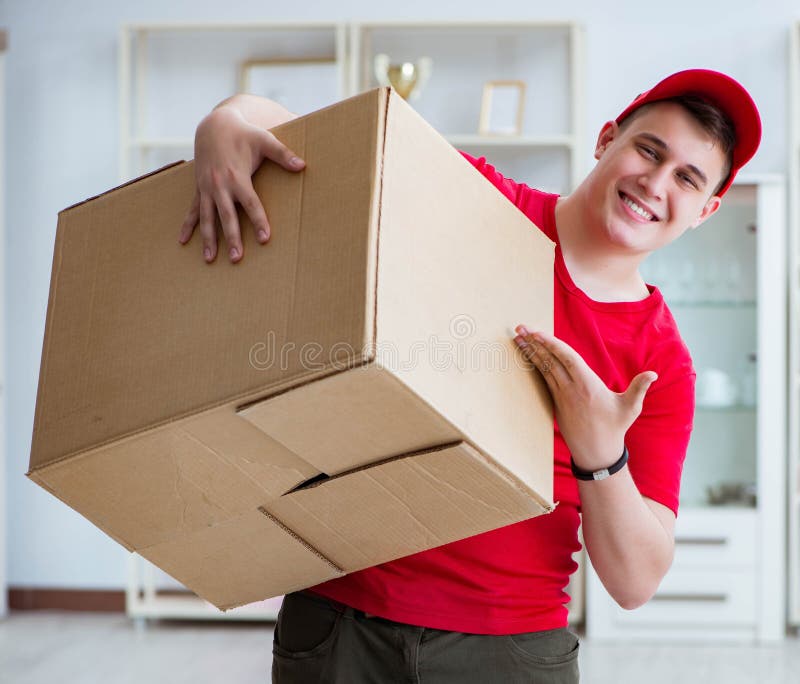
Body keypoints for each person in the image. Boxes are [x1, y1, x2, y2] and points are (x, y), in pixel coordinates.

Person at [179, 69, 761, 683]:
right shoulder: (482, 200)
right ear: (606, 138)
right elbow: (312, 131)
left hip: (510, 650)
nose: (655, 182)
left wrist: (600, 452)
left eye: (687, 179)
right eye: (649, 149)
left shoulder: (661, 364)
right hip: (340, 617)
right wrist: (224, 120)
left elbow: (635, 581)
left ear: (706, 210)